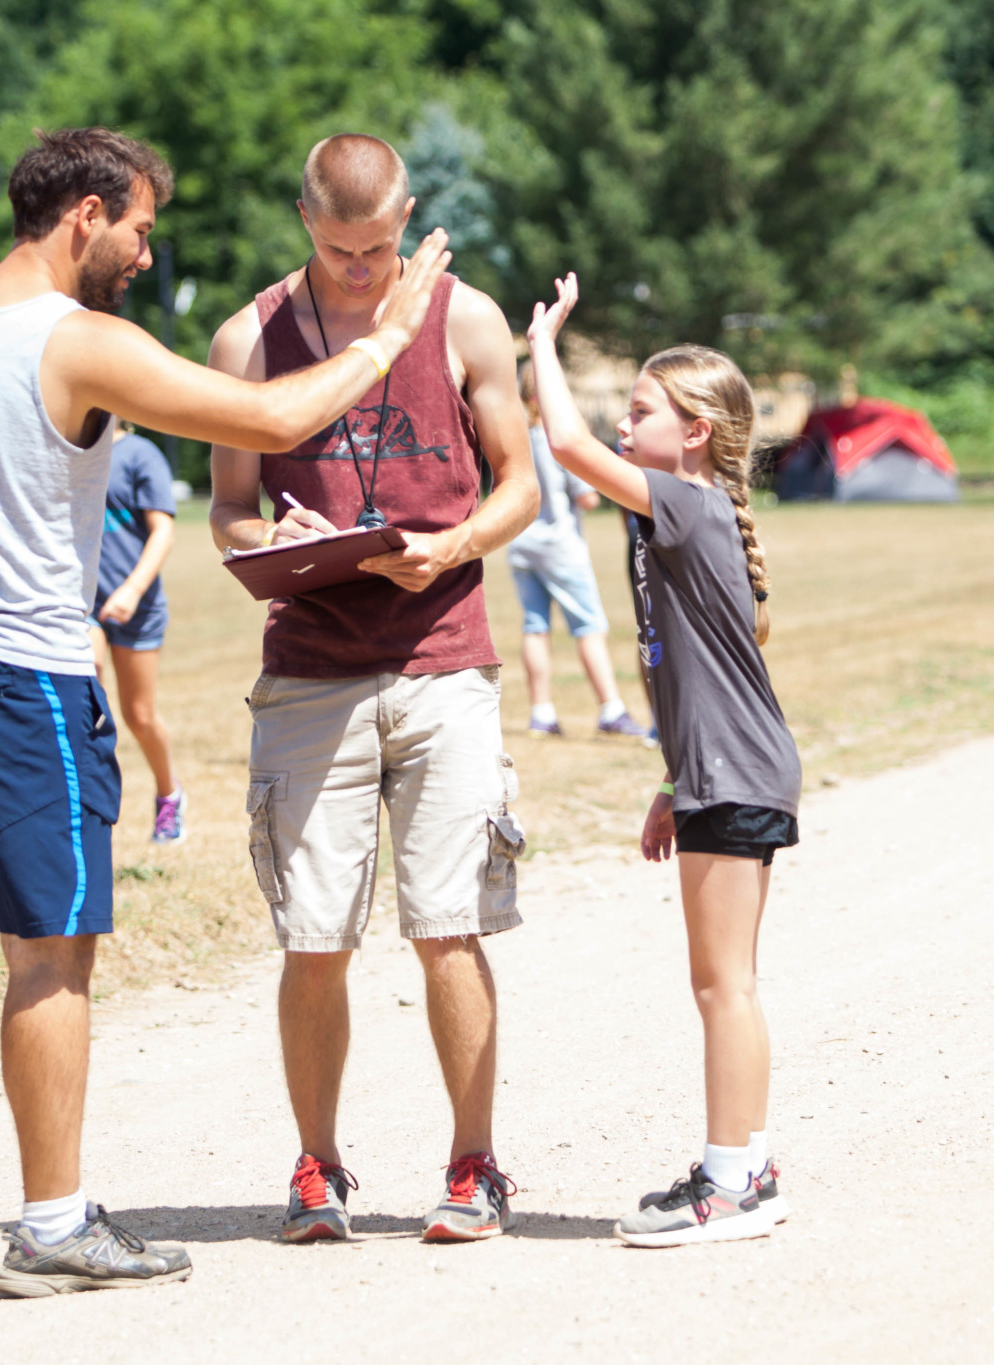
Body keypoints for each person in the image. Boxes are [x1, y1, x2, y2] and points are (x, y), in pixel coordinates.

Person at [0, 126, 455, 1304]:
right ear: (84, 216)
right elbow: (265, 424)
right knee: (51, 953)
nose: (143, 254)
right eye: (139, 228)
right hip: (21, 681)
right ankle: (54, 1223)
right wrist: (389, 337)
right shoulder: (81, 342)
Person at [207, 134, 539, 1244]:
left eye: (382, 248)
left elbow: (518, 486)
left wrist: (449, 552)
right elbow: (228, 509)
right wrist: (277, 538)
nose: (362, 270)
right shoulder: (249, 337)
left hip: (443, 656)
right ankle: (316, 1167)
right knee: (314, 935)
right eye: (342, 249)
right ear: (303, 218)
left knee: (448, 925)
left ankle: (472, 1164)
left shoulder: (466, 317)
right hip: (310, 674)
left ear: (410, 222)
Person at [528, 274, 801, 1247]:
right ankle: (742, 1165)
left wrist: (540, 340)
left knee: (723, 984)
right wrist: (667, 783)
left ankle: (734, 1187)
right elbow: (701, 679)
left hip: (735, 777)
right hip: (715, 773)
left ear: (690, 433)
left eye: (637, 410)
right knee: (715, 980)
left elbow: (561, 443)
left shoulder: (684, 502)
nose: (618, 420)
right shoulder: (667, 512)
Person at [506, 360, 650, 740]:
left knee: (535, 626)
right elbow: (585, 497)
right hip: (560, 544)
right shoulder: (558, 440)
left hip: (521, 544)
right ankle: (611, 709)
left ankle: (541, 713)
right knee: (589, 625)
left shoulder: (513, 434)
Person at [91, 422, 185, 842]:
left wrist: (131, 589)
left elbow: (163, 531)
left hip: (137, 603)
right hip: (82, 606)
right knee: (85, 701)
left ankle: (169, 796)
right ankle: (84, 806)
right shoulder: (70, 446)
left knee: (138, 715)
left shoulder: (139, 453)